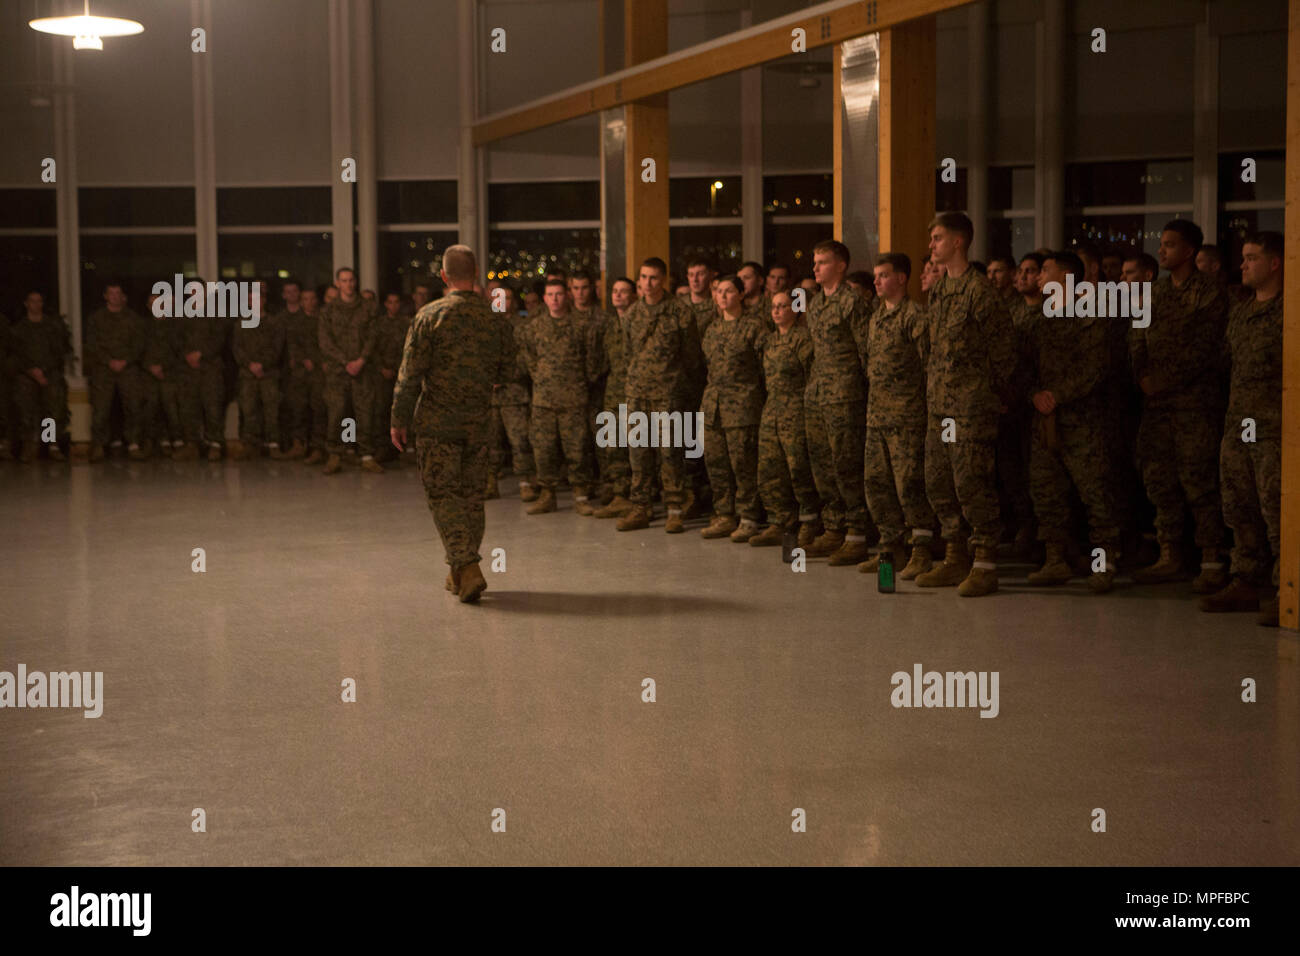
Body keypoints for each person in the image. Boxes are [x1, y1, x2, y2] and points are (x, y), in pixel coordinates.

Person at [390, 244, 516, 604]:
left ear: (444, 276)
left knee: (444, 494)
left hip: (438, 423)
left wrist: (398, 417)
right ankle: (458, 572)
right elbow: (508, 371)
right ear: (475, 274)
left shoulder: (429, 316)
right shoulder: (495, 319)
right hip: (479, 421)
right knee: (472, 496)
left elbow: (410, 375)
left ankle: (468, 566)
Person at [917, 212, 1015, 597]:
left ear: (959, 242)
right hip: (940, 405)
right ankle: (955, 556)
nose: (931, 245)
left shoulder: (979, 291)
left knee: (972, 483)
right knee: (938, 482)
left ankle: (985, 563)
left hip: (970, 407)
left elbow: (1004, 352)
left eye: (937, 238)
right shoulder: (940, 290)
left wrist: (983, 393)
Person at [1130, 219, 1229, 591]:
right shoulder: (1151, 294)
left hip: (1194, 404)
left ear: (1189, 251)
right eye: (1162, 244)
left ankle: (1211, 559)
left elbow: (1205, 348)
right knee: (1159, 479)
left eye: (1170, 245)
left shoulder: (1209, 293)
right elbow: (1136, 340)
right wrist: (1143, 377)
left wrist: (1164, 380)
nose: (1163, 250)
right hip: (1156, 406)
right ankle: (1169, 553)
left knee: (1199, 481)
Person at [1023, 252, 1121, 592]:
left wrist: (1056, 395)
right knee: (1046, 493)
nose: (1038, 276)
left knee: (1095, 494)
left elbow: (1096, 367)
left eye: (1045, 270)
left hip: (1083, 420)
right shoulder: (1038, 318)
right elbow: (1023, 366)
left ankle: (1103, 565)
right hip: (1046, 422)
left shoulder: (1091, 314)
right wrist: (1035, 394)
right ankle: (1055, 561)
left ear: (1066, 276)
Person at [1199, 232, 1283, 626]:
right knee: (1238, 505)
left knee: (1277, 508)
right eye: (1244, 258)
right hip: (1239, 424)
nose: (1243, 265)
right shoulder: (1242, 311)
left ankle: (1287, 588)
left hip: (1274, 426)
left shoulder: (1289, 311)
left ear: (1275, 264)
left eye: (1251, 258)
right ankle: (1246, 579)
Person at [858, 253, 935, 578]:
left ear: (902, 279)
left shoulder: (915, 317)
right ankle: (890, 547)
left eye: (884, 275)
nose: (876, 281)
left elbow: (929, 365)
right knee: (876, 484)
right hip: (877, 416)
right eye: (875, 276)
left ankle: (921, 551)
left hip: (906, 416)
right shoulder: (876, 318)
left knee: (910, 485)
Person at [616, 257, 702, 534]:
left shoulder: (680, 312)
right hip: (638, 392)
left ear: (663, 280)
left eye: (654, 278)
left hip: (668, 393)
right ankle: (640, 507)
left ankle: (674, 509)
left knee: (670, 452)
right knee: (638, 454)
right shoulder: (631, 315)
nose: (648, 283)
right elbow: (627, 354)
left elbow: (690, 357)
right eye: (643, 277)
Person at [802, 240, 873, 566]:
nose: (815, 268)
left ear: (841, 266)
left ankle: (857, 534)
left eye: (822, 262)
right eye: (814, 262)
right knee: (823, 467)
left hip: (845, 396)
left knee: (846, 466)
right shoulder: (815, 304)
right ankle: (833, 528)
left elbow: (865, 352)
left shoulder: (853, 302)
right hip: (818, 395)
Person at [516, 278, 602, 516]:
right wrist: (541, 376)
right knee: (544, 450)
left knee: (577, 450)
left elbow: (593, 360)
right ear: (544, 298)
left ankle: (581, 496)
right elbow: (528, 357)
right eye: (550, 294)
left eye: (559, 294)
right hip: (543, 399)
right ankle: (547, 495)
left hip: (574, 398)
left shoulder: (581, 325)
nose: (555, 299)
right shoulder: (534, 327)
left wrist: (579, 381)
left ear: (567, 296)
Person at [749, 291, 821, 547]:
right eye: (774, 307)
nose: (778, 311)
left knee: (798, 468)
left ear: (796, 309)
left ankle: (809, 521)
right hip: (772, 410)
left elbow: (812, 375)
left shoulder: (803, 340)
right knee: (769, 468)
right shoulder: (768, 341)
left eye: (783, 306)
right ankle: (779, 521)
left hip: (796, 409)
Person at [698, 275, 766, 542]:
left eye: (728, 291)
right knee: (716, 464)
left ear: (741, 294)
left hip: (742, 406)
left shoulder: (754, 327)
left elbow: (764, 367)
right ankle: (724, 515)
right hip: (713, 406)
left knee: (743, 465)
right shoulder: (712, 329)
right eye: (719, 292)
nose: (723, 296)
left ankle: (748, 518)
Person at [319, 267, 382, 474]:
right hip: (338, 371)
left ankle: (366, 455)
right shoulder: (328, 311)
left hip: (363, 369)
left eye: (351, 280)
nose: (348, 284)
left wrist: (361, 360)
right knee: (337, 413)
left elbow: (373, 336)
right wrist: (346, 361)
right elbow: (325, 341)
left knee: (365, 412)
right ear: (337, 283)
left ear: (356, 282)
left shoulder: (368, 307)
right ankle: (335, 454)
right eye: (344, 281)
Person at [86, 280, 150, 462]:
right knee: (101, 408)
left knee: (134, 406)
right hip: (103, 369)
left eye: (118, 293)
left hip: (128, 368)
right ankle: (98, 445)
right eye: (111, 293)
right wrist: (108, 361)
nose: (114, 297)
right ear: (105, 296)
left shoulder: (134, 319)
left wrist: (126, 360)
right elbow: (92, 344)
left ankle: (134, 443)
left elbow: (140, 344)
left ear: (123, 297)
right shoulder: (96, 319)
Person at [593, 277, 637, 517]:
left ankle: (641, 497)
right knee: (613, 444)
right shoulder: (608, 325)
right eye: (615, 291)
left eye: (624, 291)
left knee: (639, 445)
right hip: (613, 391)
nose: (618, 295)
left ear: (634, 295)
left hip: (637, 392)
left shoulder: (639, 321)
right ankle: (620, 494)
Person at [12, 291, 71, 462]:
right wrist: (32, 371)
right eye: (32, 301)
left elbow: (60, 351)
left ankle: (50, 444)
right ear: (26, 304)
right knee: (26, 409)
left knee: (52, 409)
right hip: (26, 374)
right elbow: (16, 355)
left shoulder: (53, 327)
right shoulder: (19, 329)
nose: (36, 304)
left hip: (50, 373)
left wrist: (44, 371)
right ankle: (30, 444)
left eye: (39, 301)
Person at [141, 290, 199, 460]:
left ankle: (177, 442)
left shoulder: (175, 325)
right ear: (148, 307)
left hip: (170, 374)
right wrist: (150, 367)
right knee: (150, 409)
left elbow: (178, 349)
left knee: (172, 410)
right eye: (153, 304)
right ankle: (150, 443)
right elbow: (138, 349)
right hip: (148, 374)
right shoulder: (143, 326)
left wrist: (163, 367)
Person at [232, 282, 287, 459]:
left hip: (268, 374)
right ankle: (251, 444)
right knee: (249, 410)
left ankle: (273, 444)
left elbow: (277, 348)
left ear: (263, 300)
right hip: (247, 375)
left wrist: (262, 364)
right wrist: (250, 365)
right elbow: (237, 348)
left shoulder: (274, 322)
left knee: (272, 411)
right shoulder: (242, 323)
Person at [370, 291, 410, 464]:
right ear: (385, 304)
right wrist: (382, 368)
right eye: (390, 302)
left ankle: (403, 448)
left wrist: (397, 368)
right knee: (380, 411)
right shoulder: (378, 324)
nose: (393, 305)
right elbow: (373, 348)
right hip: (381, 374)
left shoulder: (406, 323)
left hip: (401, 373)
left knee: (401, 411)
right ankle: (382, 448)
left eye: (396, 302)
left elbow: (409, 349)